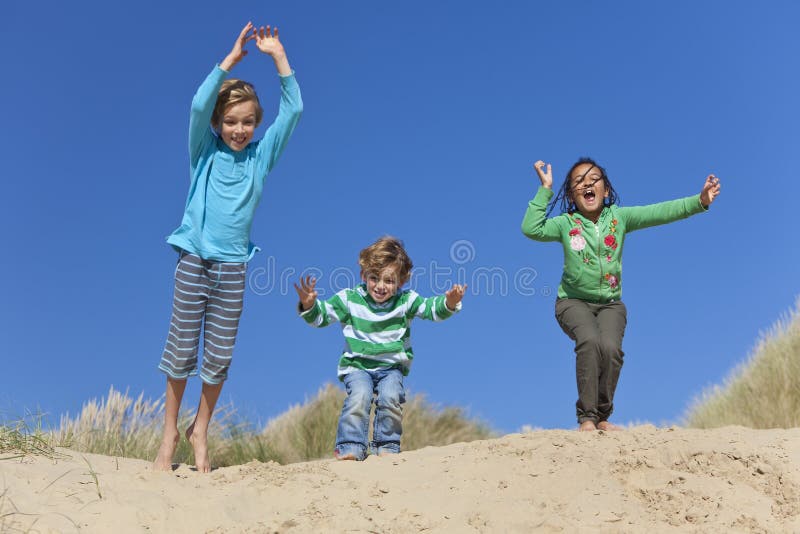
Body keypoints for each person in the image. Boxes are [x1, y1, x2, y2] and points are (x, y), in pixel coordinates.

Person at [153, 22, 303, 472]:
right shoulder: (204, 150)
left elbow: (293, 111)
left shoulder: (261, 157)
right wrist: (231, 61)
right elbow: (199, 103)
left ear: (257, 124)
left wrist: (279, 59)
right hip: (194, 257)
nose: (240, 129)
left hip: (234, 267)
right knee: (181, 350)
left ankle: (200, 430)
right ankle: (169, 434)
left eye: (248, 121)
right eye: (232, 121)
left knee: (218, 358)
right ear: (219, 124)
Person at [521, 158, 721, 431]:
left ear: (606, 190)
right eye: (579, 181)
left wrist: (699, 201)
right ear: (571, 194)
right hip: (572, 302)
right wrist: (545, 189)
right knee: (589, 342)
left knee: (611, 350)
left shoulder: (619, 218)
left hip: (610, 305)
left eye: (594, 179)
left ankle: (603, 416)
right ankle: (587, 418)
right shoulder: (565, 224)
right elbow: (531, 228)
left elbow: (660, 212)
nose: (587, 183)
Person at [294, 236, 466, 460]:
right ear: (363, 275)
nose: (380, 286)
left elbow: (430, 309)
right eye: (374, 278)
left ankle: (387, 446)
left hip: (391, 367)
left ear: (401, 281)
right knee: (359, 396)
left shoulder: (405, 301)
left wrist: (449, 302)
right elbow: (322, 317)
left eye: (389, 280)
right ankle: (350, 447)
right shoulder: (349, 299)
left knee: (391, 397)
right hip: (358, 365)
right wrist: (309, 304)